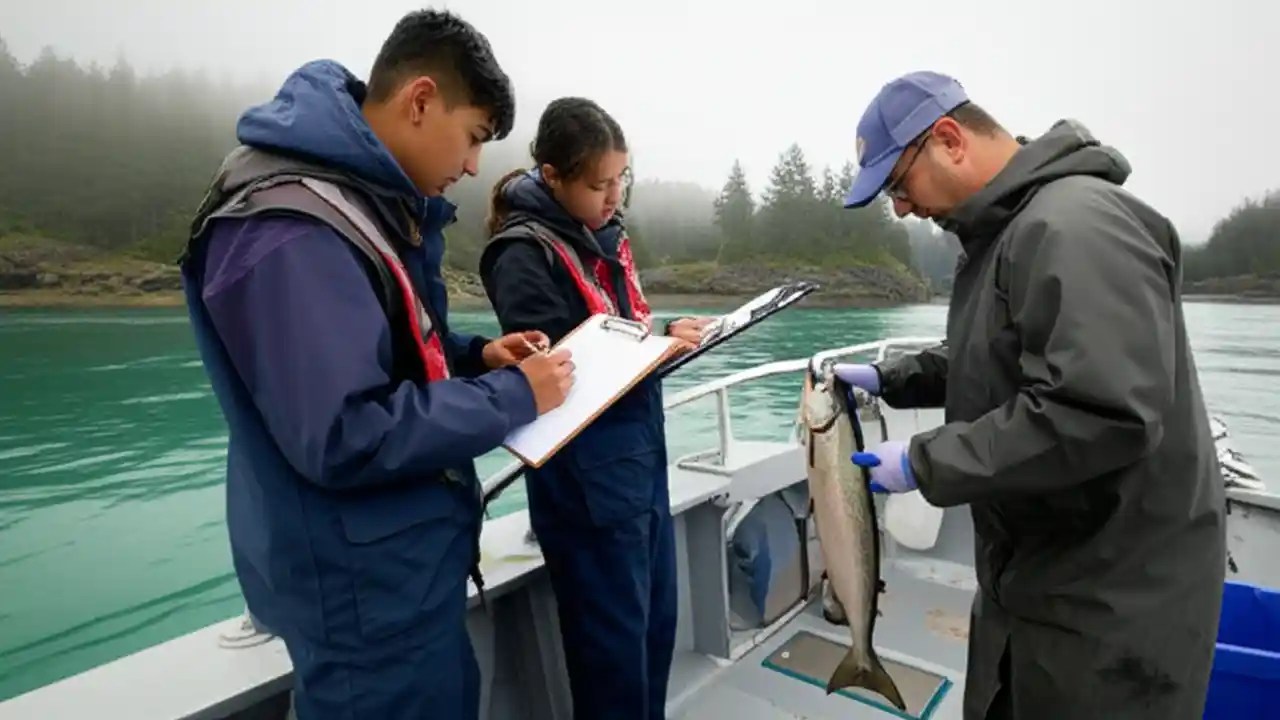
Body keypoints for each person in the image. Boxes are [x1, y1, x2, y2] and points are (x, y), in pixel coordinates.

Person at [178, 10, 575, 719]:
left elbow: (382, 350)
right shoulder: (286, 230)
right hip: (360, 597)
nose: (474, 166)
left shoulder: (356, 203)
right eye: (475, 137)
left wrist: (478, 356)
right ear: (420, 101)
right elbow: (345, 431)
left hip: (399, 575)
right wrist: (514, 396)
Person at [834, 71, 1225, 719]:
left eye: (898, 185)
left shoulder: (1075, 227)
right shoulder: (1008, 233)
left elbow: (1101, 411)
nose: (900, 208)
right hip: (1040, 576)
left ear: (950, 140)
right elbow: (1002, 357)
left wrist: (925, 463)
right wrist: (894, 378)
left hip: (1109, 603)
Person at [478, 97, 710, 720]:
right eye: (597, 184)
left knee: (654, 630)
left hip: (639, 470)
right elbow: (562, 369)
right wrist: (653, 351)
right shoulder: (522, 254)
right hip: (588, 487)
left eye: (620, 180)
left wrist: (665, 334)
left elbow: (618, 331)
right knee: (610, 654)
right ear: (552, 177)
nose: (614, 198)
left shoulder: (599, 238)